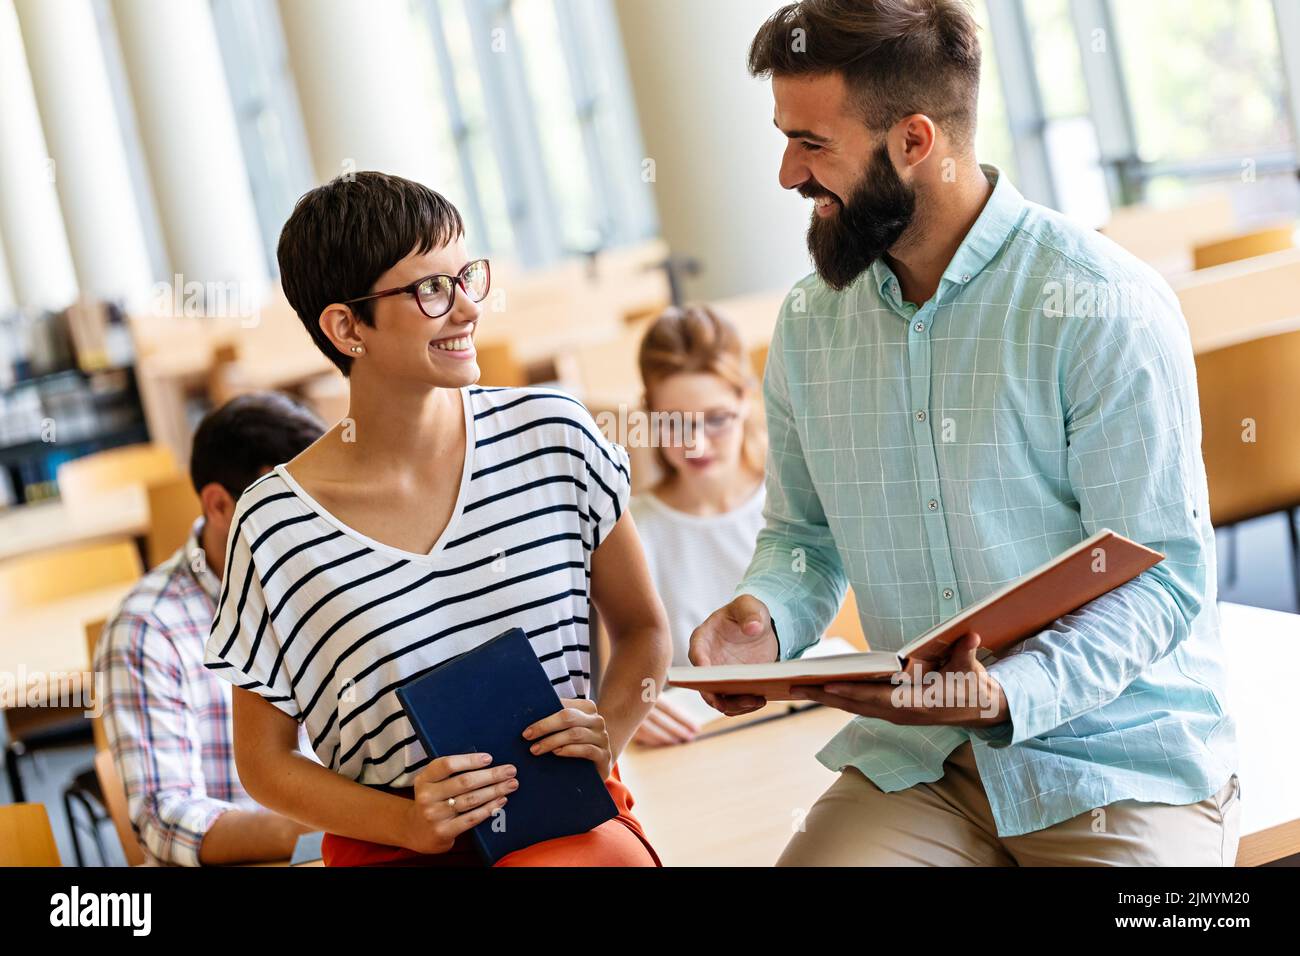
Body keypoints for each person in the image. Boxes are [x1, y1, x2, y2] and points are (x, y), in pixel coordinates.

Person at [690, 0, 1238, 866]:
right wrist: (765, 619)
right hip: (923, 765)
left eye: (813, 143)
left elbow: (1160, 582)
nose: (788, 173)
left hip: (1115, 760)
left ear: (914, 141)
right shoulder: (809, 324)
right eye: (784, 137)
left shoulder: (1103, 305)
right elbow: (803, 537)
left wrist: (1003, 695)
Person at [204, 171, 671, 866]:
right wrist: (407, 824)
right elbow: (264, 762)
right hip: (397, 850)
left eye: (466, 277)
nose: (467, 310)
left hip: (565, 827)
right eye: (430, 290)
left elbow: (644, 631)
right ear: (346, 327)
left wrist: (608, 731)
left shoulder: (555, 437)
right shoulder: (275, 527)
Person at [97, 391, 325, 865]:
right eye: (287, 507)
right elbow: (165, 819)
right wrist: (336, 822)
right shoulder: (148, 629)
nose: (313, 525)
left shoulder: (326, 582)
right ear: (220, 505)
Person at [629, 306, 767, 746]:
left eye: (716, 419)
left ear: (745, 399)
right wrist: (634, 703)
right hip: (692, 743)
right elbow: (623, 675)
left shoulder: (790, 505)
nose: (697, 443)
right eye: (676, 424)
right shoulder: (632, 528)